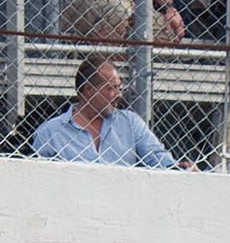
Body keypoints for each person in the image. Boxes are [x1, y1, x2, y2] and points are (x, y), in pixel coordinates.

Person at [30, 51, 176, 163]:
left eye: (119, 87)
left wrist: (178, 168)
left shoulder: (130, 124)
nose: (118, 94)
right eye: (111, 88)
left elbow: (157, 157)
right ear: (89, 90)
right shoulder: (50, 133)